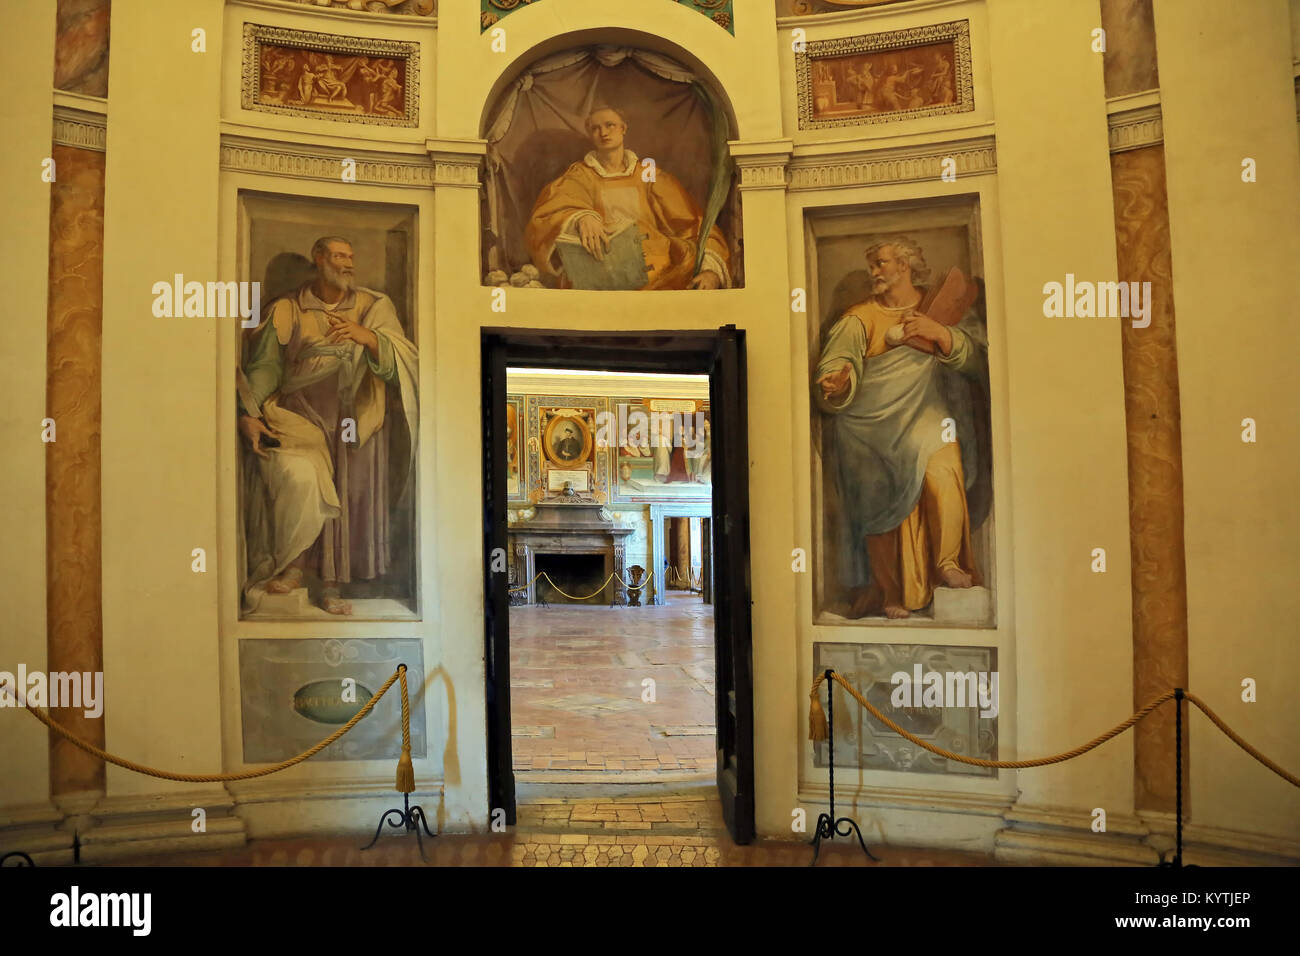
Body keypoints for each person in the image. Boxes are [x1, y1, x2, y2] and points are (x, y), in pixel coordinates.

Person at [239, 236, 419, 615]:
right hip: (300, 414)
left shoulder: (373, 306)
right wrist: (249, 415)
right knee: (305, 483)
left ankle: (334, 584)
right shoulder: (288, 309)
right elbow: (265, 368)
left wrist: (368, 338)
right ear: (318, 260)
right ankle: (294, 567)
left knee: (349, 494)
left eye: (351, 257)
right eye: (339, 256)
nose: (348, 264)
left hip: (356, 416)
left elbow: (403, 362)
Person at [813, 236, 985, 619]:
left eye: (882, 263)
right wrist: (837, 383)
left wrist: (941, 334)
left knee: (944, 466)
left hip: (926, 411)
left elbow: (979, 361)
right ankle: (889, 589)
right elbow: (834, 367)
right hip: (871, 425)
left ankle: (948, 562)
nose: (875, 272)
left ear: (905, 266)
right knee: (875, 488)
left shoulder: (937, 306)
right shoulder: (858, 319)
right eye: (872, 265)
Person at [524, 106, 730, 290]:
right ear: (589, 134)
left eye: (610, 125)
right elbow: (549, 213)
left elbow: (695, 224)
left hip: (656, 275)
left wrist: (710, 271)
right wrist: (580, 217)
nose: (603, 132)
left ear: (624, 128)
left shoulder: (648, 174)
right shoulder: (580, 174)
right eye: (595, 128)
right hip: (599, 274)